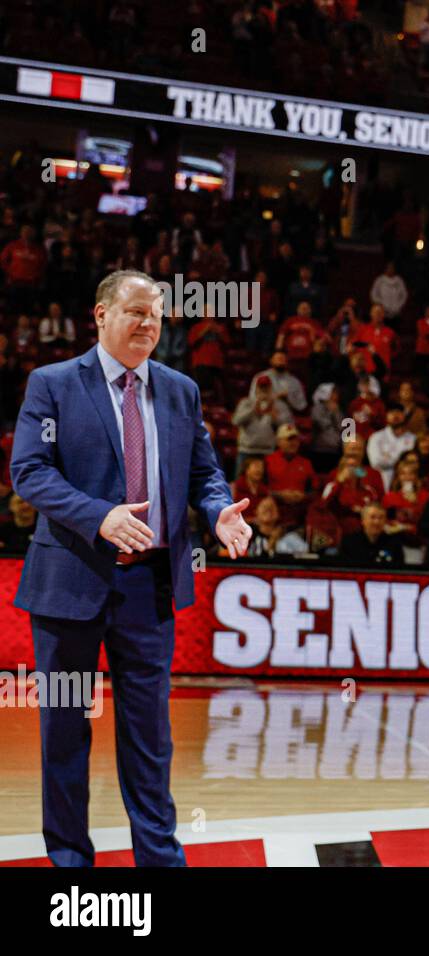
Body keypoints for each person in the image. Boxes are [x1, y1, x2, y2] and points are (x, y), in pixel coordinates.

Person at [10, 269, 252, 866]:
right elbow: (30, 472)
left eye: (156, 315)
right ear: (100, 315)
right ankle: (70, 863)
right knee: (64, 734)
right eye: (135, 312)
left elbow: (203, 473)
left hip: (149, 586)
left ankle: (159, 862)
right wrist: (100, 516)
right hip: (70, 580)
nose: (148, 324)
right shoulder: (53, 384)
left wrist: (219, 512)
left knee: (150, 739)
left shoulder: (179, 390)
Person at [339, 501, 407, 565]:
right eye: (372, 517)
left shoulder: (394, 544)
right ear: (363, 520)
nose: (377, 522)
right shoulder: (349, 543)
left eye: (381, 518)